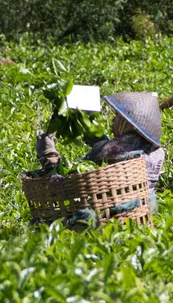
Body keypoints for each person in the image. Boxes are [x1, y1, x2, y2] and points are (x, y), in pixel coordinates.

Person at [34, 92, 164, 227]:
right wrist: (95, 136)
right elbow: (124, 150)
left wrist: (49, 155)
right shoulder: (156, 151)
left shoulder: (110, 149)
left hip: (113, 214)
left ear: (127, 123)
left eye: (117, 117)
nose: (113, 121)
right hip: (145, 209)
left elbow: (69, 178)